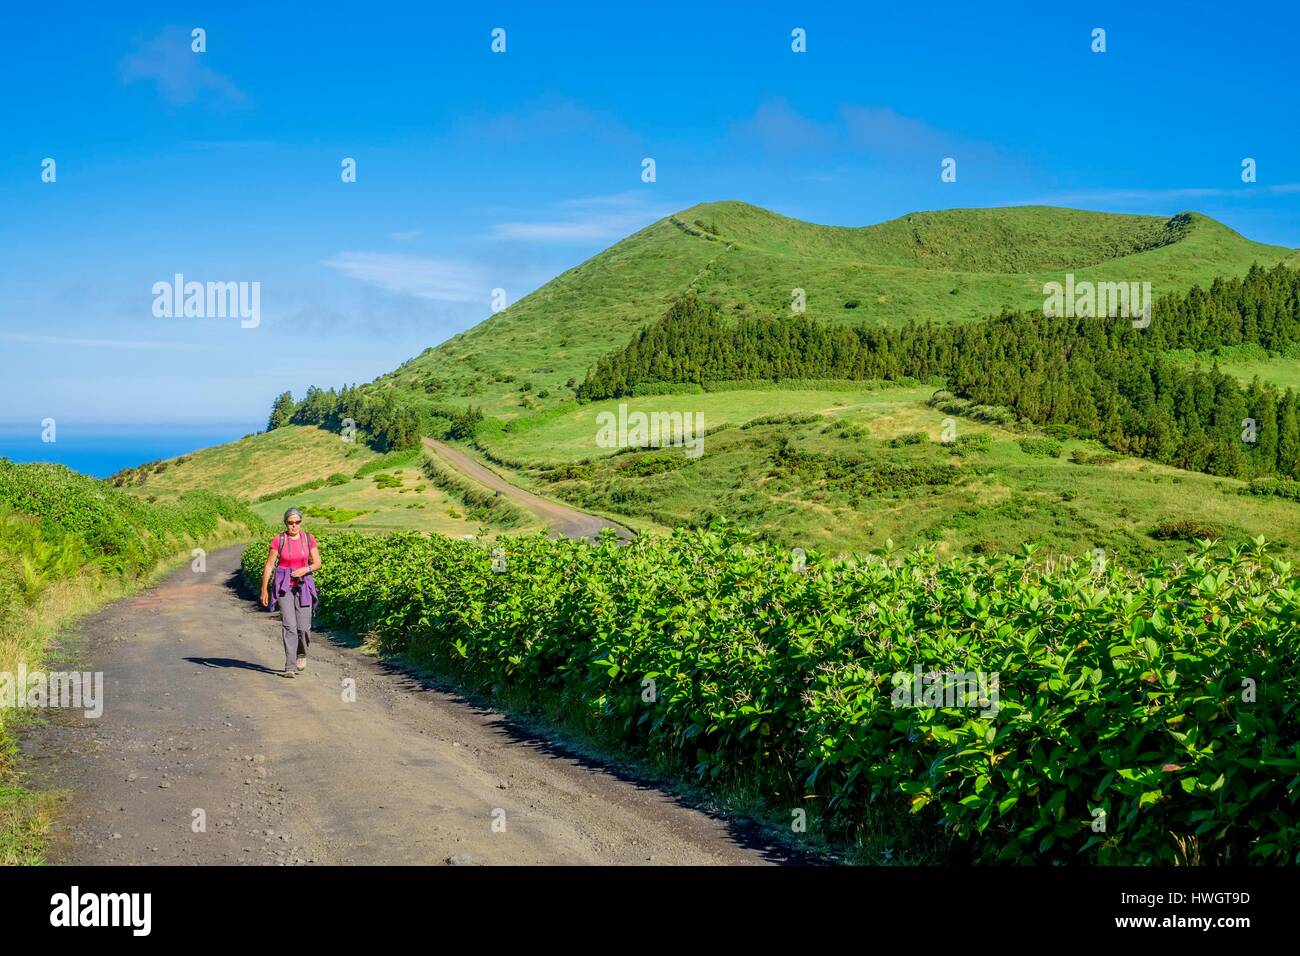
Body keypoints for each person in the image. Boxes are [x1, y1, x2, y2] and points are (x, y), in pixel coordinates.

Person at [259, 508, 321, 678]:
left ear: (301, 522)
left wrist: (303, 570)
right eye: (290, 522)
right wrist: (264, 589)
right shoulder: (279, 540)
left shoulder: (308, 539)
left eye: (297, 522)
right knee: (289, 626)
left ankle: (301, 652)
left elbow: (317, 563)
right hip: (284, 586)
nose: (294, 526)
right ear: (285, 523)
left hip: (304, 585)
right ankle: (290, 666)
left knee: (303, 628)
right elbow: (269, 565)